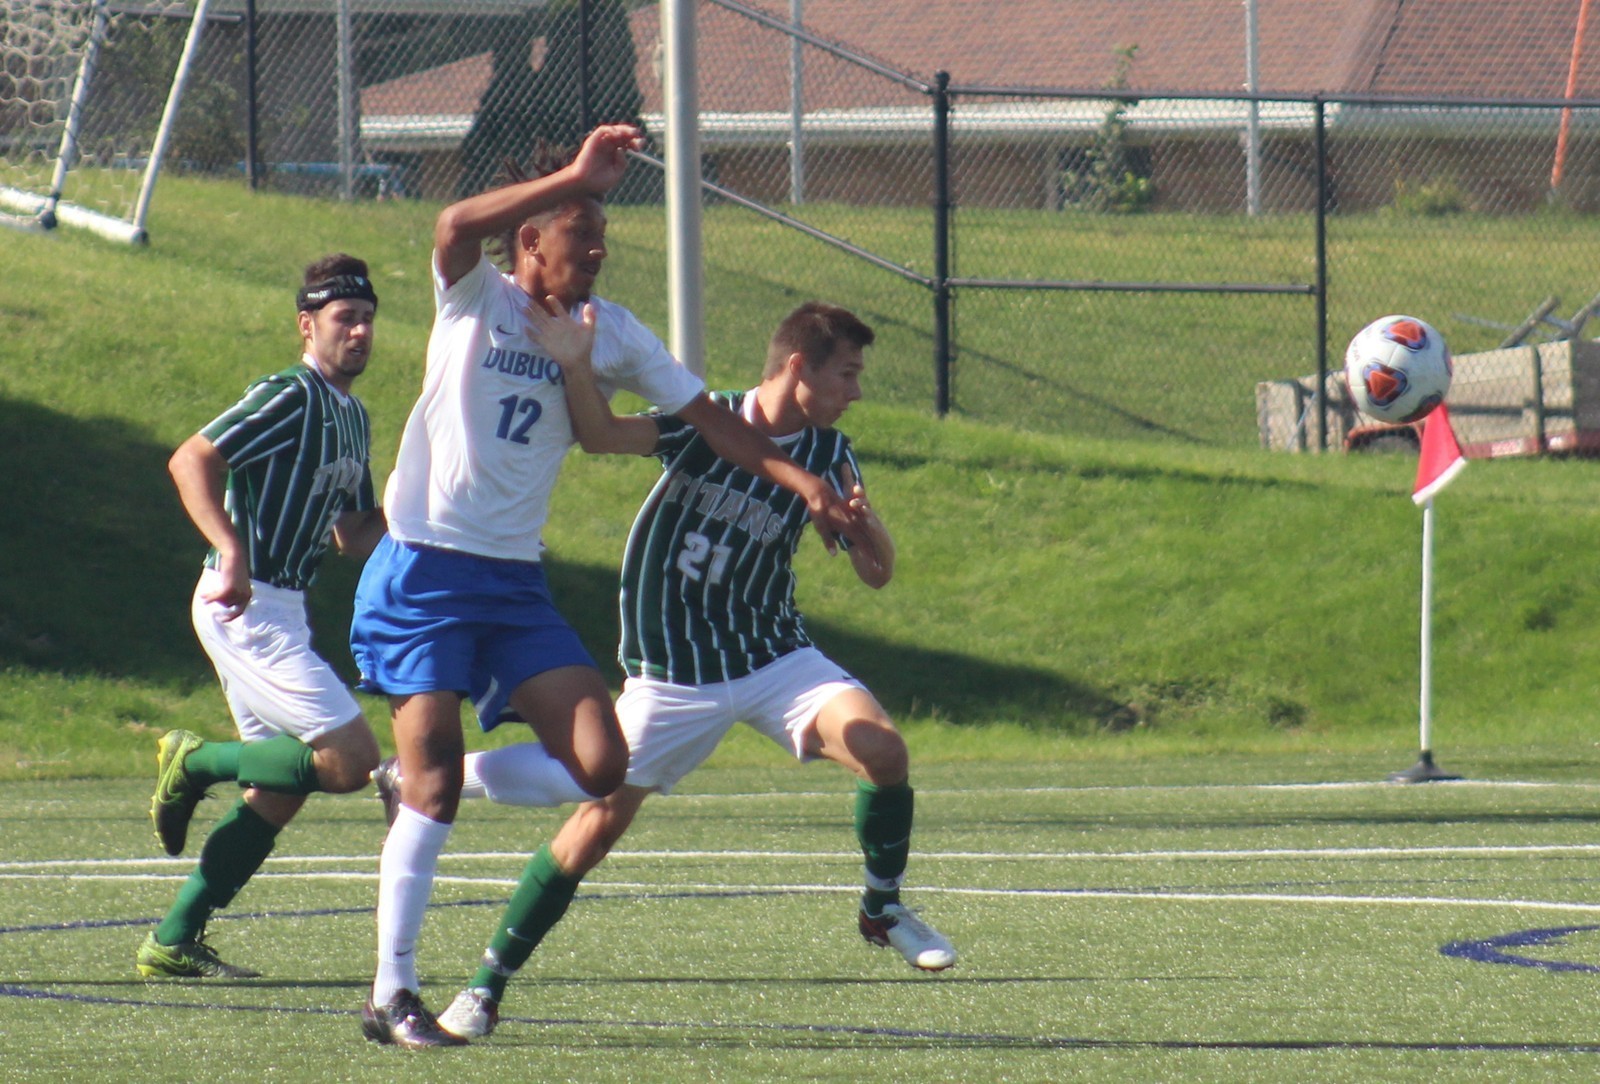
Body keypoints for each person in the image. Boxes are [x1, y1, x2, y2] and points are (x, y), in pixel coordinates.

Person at [350, 123, 865, 1049]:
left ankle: (413, 796)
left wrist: (806, 485)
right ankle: (391, 993)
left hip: (512, 586)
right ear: (530, 245)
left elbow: (715, 422)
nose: (594, 252)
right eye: (577, 235)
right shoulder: (476, 297)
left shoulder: (608, 331)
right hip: (423, 569)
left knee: (603, 763)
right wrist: (575, 174)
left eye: (602, 240)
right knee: (432, 788)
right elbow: (452, 220)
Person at [383, 299, 955, 1042]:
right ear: (796, 368)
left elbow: (876, 574)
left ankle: (882, 908)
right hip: (674, 676)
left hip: (773, 656)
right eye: (846, 373)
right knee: (593, 825)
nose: (856, 390)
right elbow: (600, 434)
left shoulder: (829, 453)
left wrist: (866, 521)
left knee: (882, 749)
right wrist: (576, 363)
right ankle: (486, 985)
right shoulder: (708, 417)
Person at [140, 254, 386, 979]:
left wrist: (433, 521)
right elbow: (191, 460)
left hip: (285, 611)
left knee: (278, 792)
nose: (361, 331)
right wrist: (229, 547)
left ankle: (173, 938)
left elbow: (354, 536)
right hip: (241, 603)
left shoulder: (352, 417)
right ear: (307, 327)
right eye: (345, 318)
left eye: (368, 317)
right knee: (352, 761)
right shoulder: (290, 394)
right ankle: (195, 759)